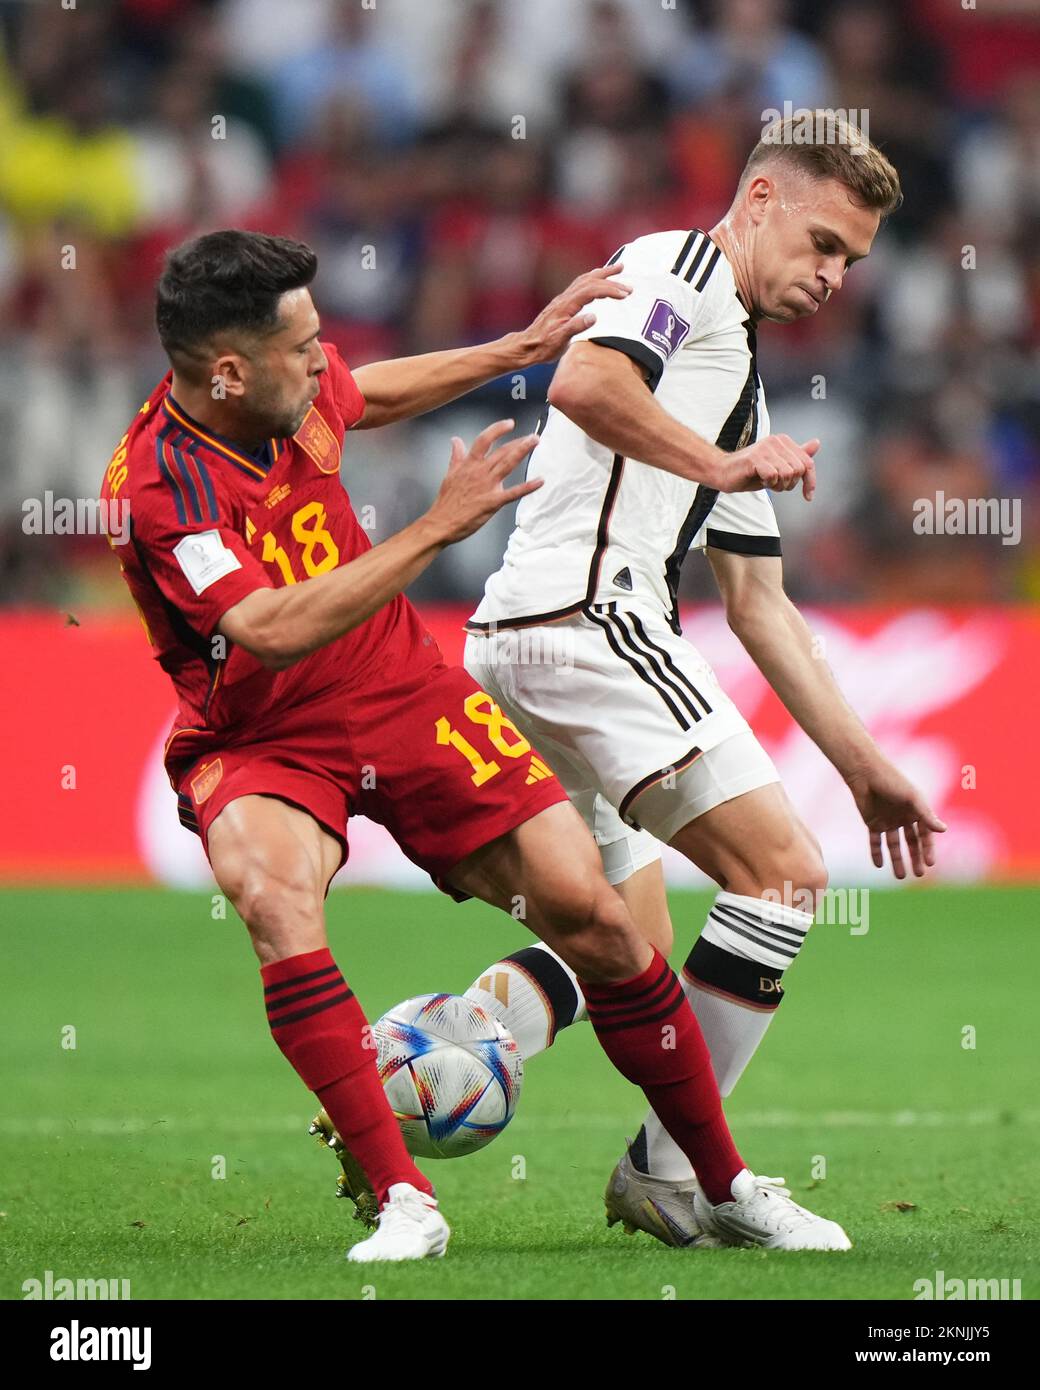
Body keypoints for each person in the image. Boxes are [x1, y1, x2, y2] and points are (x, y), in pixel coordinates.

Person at [100, 229, 843, 1264]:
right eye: (305, 348)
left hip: (399, 688)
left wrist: (516, 346)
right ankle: (406, 1199)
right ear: (227, 370)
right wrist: (432, 529)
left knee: (593, 915)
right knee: (272, 896)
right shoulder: (158, 489)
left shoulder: (280, 390)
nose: (326, 364)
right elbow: (269, 627)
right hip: (262, 731)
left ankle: (716, 1184)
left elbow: (369, 396)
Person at [450, 112, 947, 1248]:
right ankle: (680, 1174)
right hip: (587, 624)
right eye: (822, 241)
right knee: (779, 876)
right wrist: (722, 462)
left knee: (623, 938)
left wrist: (865, 768)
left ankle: (463, 1036)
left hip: (521, 643)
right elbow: (580, 382)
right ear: (760, 200)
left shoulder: (735, 379)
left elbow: (759, 606)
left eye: (851, 262)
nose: (832, 274)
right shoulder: (676, 270)